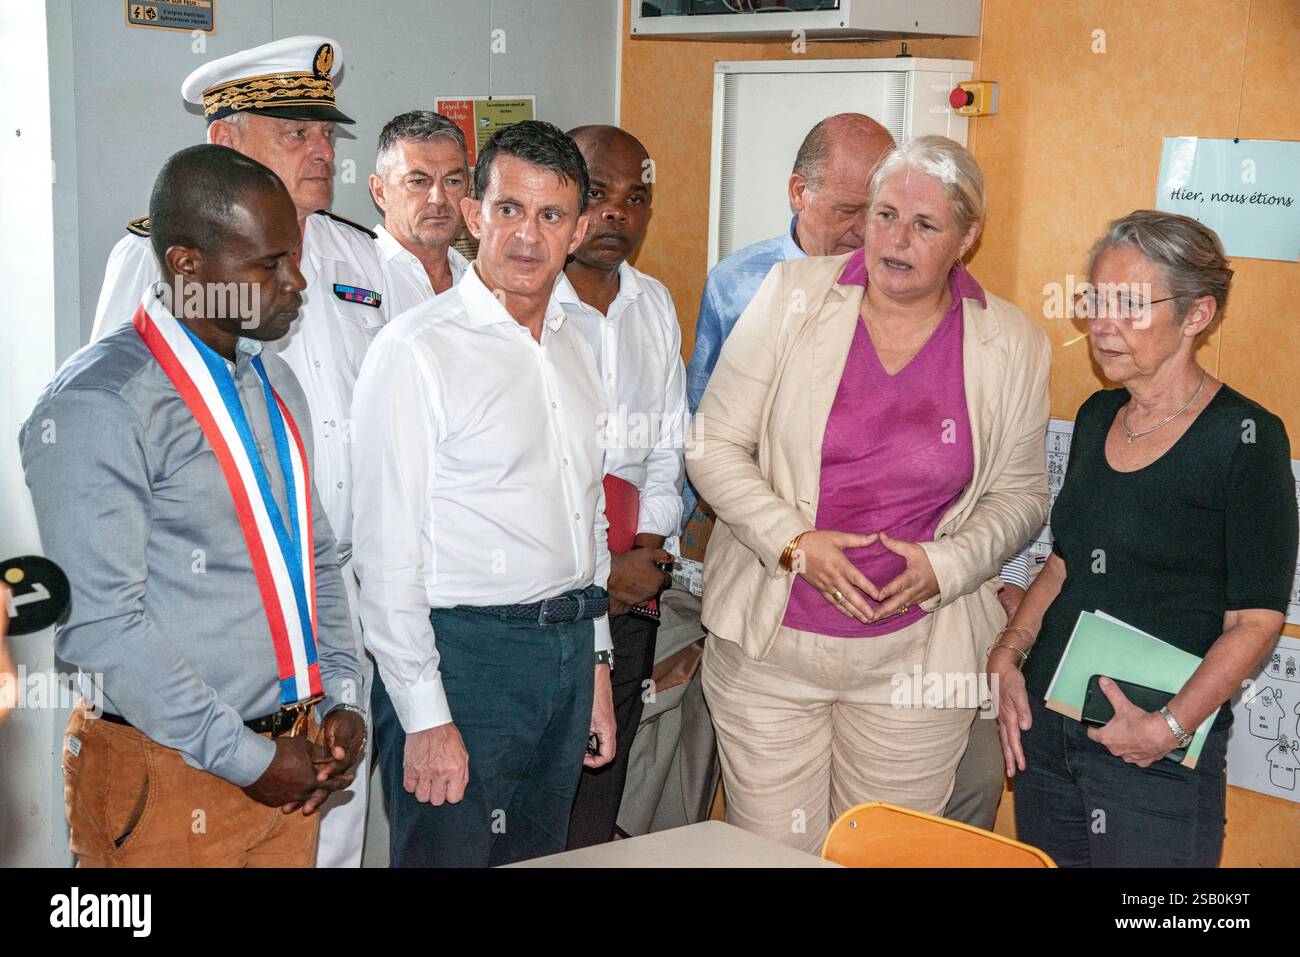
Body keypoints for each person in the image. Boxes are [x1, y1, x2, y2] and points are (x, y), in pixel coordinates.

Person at [687, 135, 1051, 853]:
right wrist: (794, 543)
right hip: (770, 651)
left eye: (924, 225)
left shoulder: (1012, 342)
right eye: (884, 215)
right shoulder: (791, 298)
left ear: (967, 237)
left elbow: (1021, 494)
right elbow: (711, 445)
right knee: (771, 855)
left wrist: (944, 566)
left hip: (916, 662)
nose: (895, 239)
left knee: (881, 852)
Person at [87, 36, 388, 867]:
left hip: (335, 594)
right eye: (297, 133)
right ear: (225, 144)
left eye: (327, 133)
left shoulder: (359, 255)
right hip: (219, 600)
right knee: (209, 818)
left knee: (330, 825)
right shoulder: (151, 260)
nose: (324, 149)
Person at [20, 145, 366, 867]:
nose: (294, 281)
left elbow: (314, 558)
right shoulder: (99, 404)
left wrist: (341, 698)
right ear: (187, 266)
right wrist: (247, 757)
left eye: (292, 256)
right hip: (167, 776)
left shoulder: (271, 381)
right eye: (267, 265)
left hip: (288, 764)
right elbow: (102, 630)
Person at [994, 210, 1297, 868]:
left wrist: (1169, 726)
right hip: (1049, 733)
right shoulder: (1099, 413)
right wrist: (1009, 653)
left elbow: (1256, 621)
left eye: (1127, 304)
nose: (1100, 323)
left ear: (1196, 315)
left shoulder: (1246, 438)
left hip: (1156, 754)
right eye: (1094, 300)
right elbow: (1065, 561)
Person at [352, 120, 617, 867]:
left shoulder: (577, 341)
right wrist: (426, 715)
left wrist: (595, 664)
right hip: (464, 663)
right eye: (508, 209)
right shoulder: (415, 351)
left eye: (550, 215)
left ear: (578, 228)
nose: (527, 236)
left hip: (565, 655)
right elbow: (385, 555)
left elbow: (585, 518)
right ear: (474, 215)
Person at [558, 124, 688, 848]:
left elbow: (671, 443)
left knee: (604, 775)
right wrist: (594, 575)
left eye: (635, 197)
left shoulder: (653, 304)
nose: (617, 213)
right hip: (544, 592)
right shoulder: (528, 304)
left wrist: (645, 553)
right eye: (599, 193)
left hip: (635, 580)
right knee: (538, 780)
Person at [369, 110, 472, 314]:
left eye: (453, 181)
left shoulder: (475, 282)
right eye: (418, 182)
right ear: (380, 192)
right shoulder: (355, 273)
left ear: (468, 189)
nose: (439, 198)